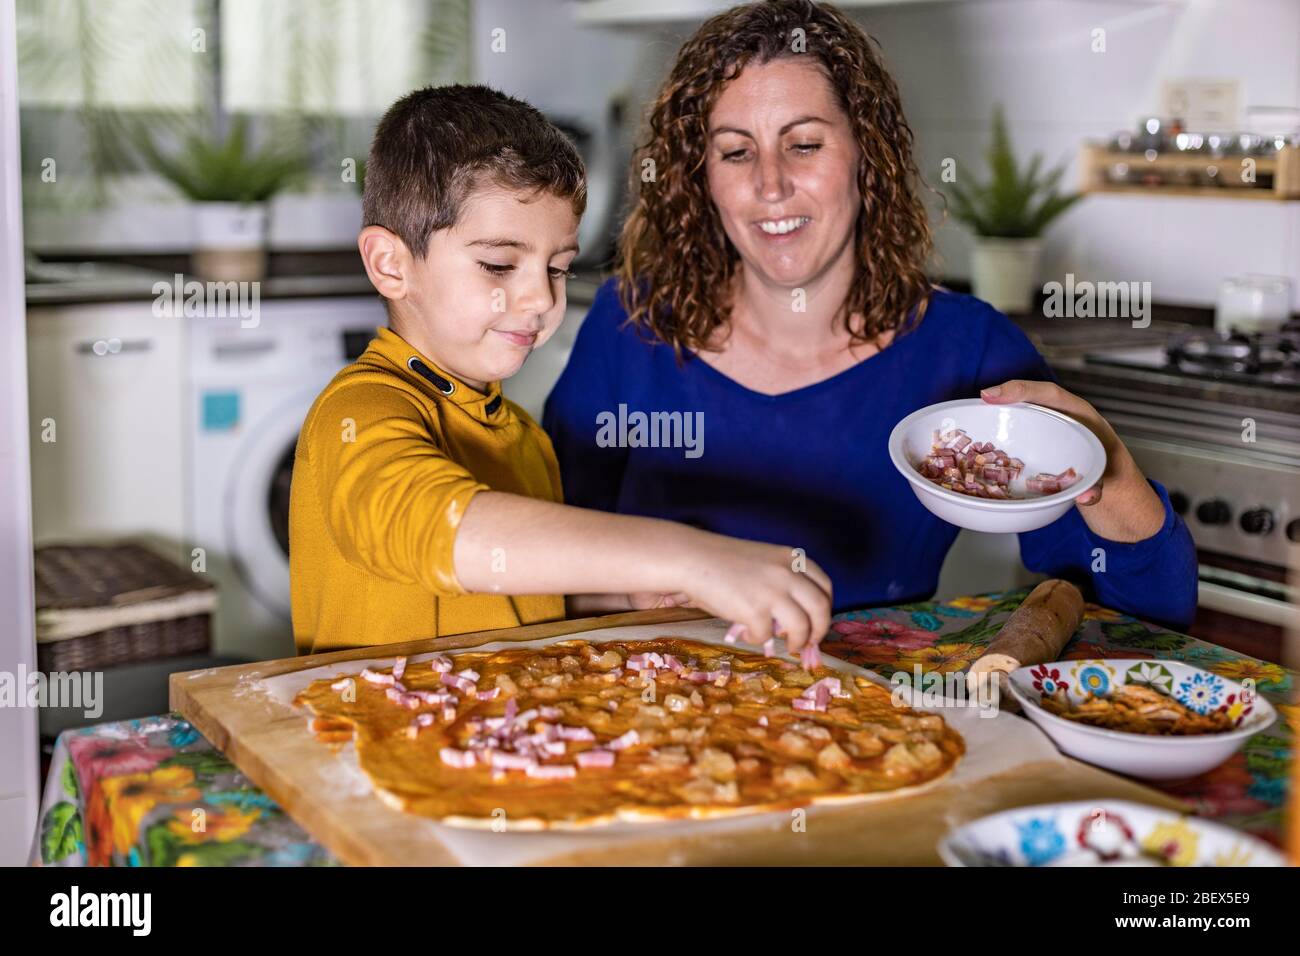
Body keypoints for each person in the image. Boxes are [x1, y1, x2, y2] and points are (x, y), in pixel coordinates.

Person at [544, 0, 1197, 631]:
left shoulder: (969, 351)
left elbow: (1151, 618)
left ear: (868, 156)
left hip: (868, 725)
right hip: (647, 710)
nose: (770, 185)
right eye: (736, 151)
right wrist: (634, 581)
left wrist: (1107, 468)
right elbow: (544, 566)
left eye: (803, 145)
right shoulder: (630, 324)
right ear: (702, 176)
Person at [288, 84, 831, 656]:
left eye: (557, 268)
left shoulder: (524, 438)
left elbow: (515, 598)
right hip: (358, 741)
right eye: (499, 265)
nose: (540, 300)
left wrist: (622, 597)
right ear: (390, 264)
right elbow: (436, 531)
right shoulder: (357, 412)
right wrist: (694, 556)